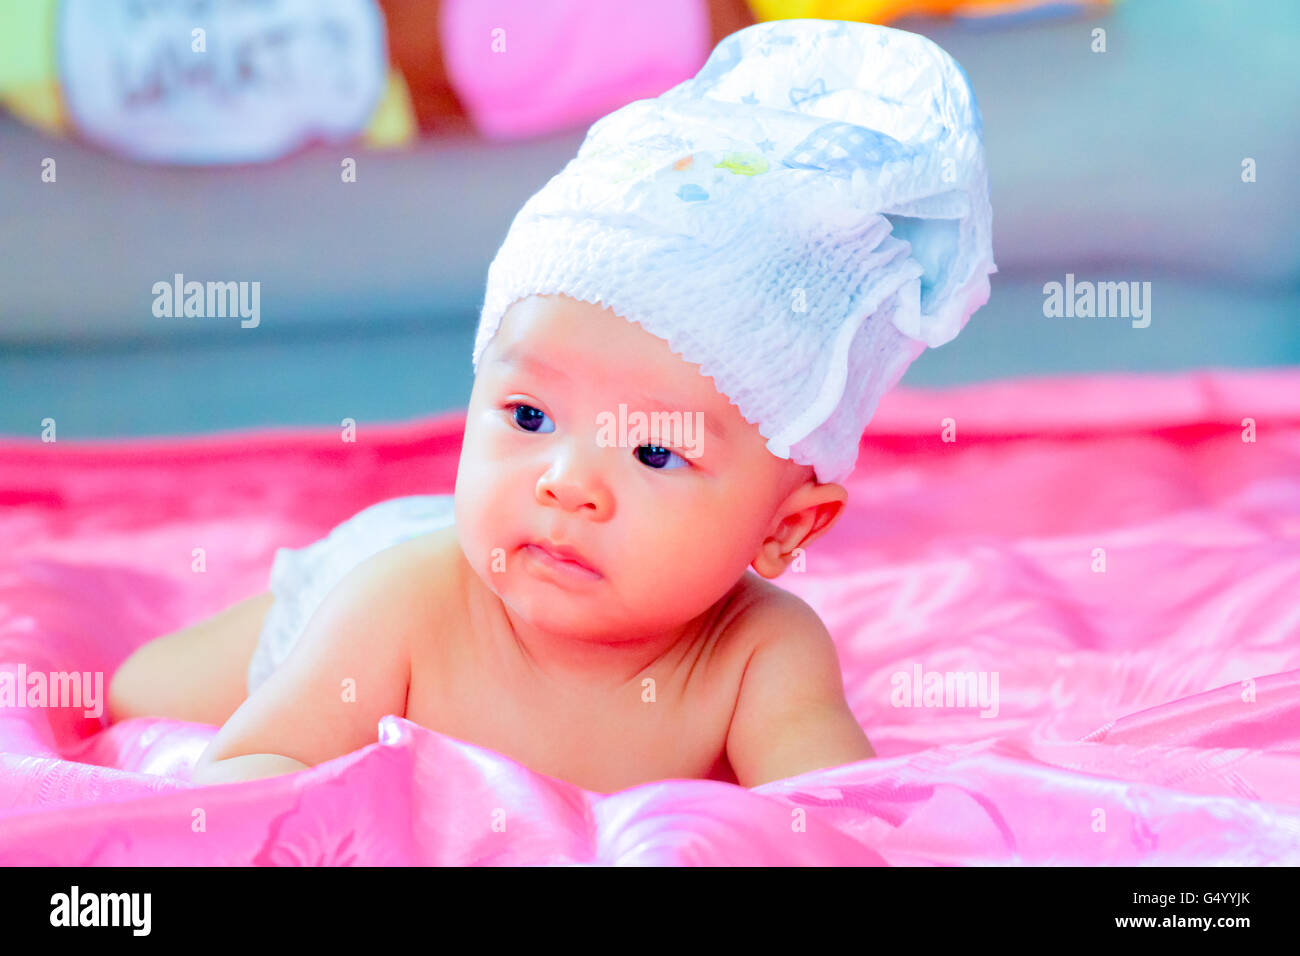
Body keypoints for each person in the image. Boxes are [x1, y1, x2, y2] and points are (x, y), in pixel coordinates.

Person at [108, 18, 995, 793]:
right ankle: (258, 612)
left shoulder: (761, 655)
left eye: (655, 454)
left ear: (788, 529)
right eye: (528, 418)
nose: (567, 484)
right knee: (141, 696)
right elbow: (260, 769)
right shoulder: (402, 604)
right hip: (353, 580)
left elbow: (835, 810)